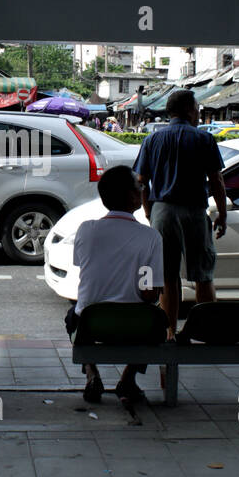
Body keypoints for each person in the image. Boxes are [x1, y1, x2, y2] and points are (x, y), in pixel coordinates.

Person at [133, 88, 227, 337]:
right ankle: (207, 331)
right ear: (188, 110)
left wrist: (149, 211)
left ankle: (170, 332)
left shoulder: (152, 140)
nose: (198, 113)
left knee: (167, 277)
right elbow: (216, 180)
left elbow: (141, 180)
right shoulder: (204, 139)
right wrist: (223, 215)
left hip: (162, 212)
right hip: (195, 212)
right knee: (203, 275)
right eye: (196, 108)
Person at [68, 166, 164, 403]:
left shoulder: (86, 230)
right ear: (133, 197)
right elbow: (148, 293)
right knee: (156, 322)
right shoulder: (150, 237)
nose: (143, 191)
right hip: (135, 326)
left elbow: (85, 268)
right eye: (140, 187)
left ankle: (92, 374)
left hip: (92, 324)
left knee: (73, 315)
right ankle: (128, 379)